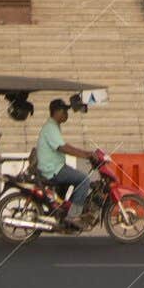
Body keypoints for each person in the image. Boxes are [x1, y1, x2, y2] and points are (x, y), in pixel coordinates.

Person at [36, 98, 97, 229]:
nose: (66, 114)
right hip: (52, 169)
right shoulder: (51, 127)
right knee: (83, 180)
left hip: (56, 166)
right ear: (57, 112)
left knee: (75, 178)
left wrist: (86, 154)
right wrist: (86, 154)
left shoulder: (53, 126)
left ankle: (64, 212)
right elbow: (63, 148)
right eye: (64, 111)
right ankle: (73, 216)